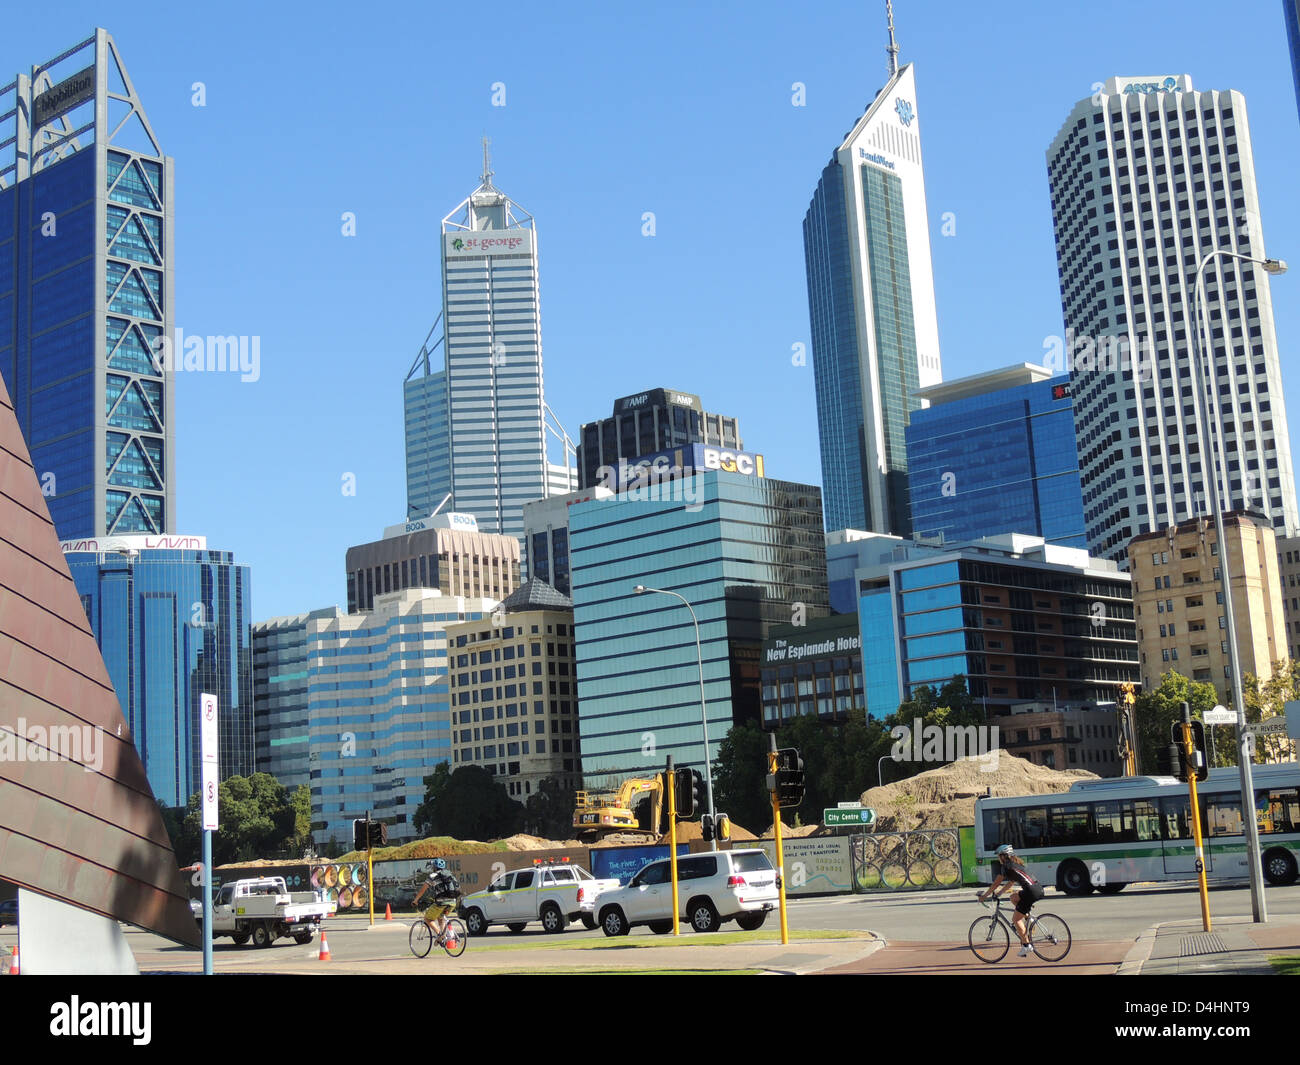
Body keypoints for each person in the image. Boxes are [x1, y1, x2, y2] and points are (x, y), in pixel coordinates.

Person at [976, 844, 1045, 956]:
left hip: (1030, 892)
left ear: (1004, 856)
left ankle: (1026, 946)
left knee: (1016, 920)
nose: (998, 859)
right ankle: (1028, 918)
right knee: (1013, 897)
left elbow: (996, 883)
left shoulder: (1006, 866)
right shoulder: (1015, 864)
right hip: (1037, 889)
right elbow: (1011, 883)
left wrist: (985, 896)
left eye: (999, 856)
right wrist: (999, 893)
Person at [413, 858, 461, 940]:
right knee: (440, 917)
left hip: (441, 903)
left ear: (434, 867)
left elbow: (422, 890)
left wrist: (415, 900)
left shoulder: (432, 876)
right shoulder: (449, 875)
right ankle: (444, 937)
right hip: (452, 902)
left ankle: (439, 934)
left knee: (427, 919)